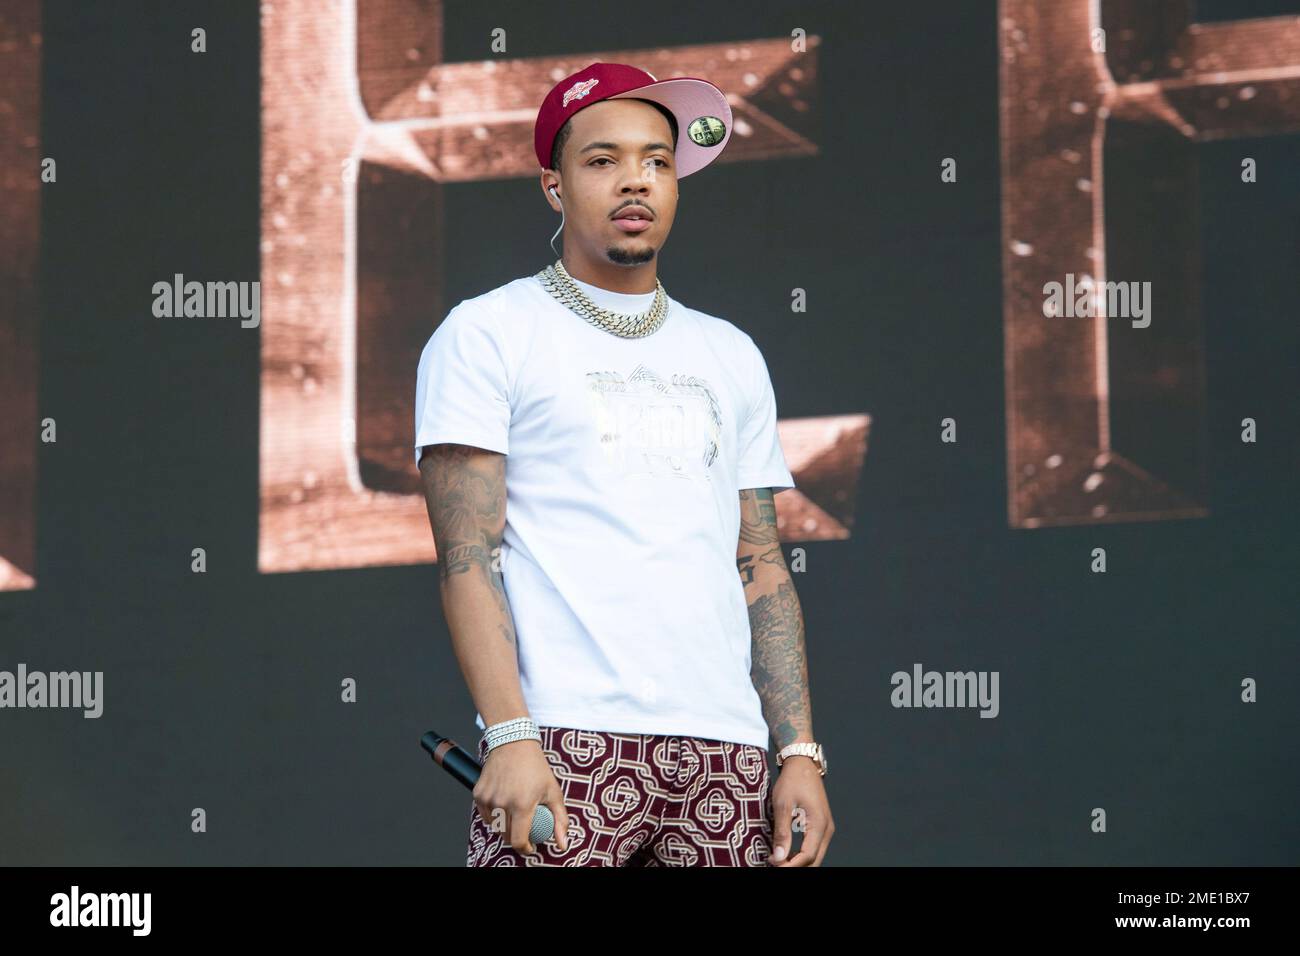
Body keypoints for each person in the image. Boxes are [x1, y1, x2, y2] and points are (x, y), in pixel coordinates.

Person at [414, 62, 832, 866]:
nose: (634, 179)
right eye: (602, 160)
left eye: (658, 161)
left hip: (726, 752)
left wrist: (799, 753)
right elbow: (468, 556)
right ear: (554, 186)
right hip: (565, 743)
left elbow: (761, 561)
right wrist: (509, 734)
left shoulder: (730, 352)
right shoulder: (489, 331)